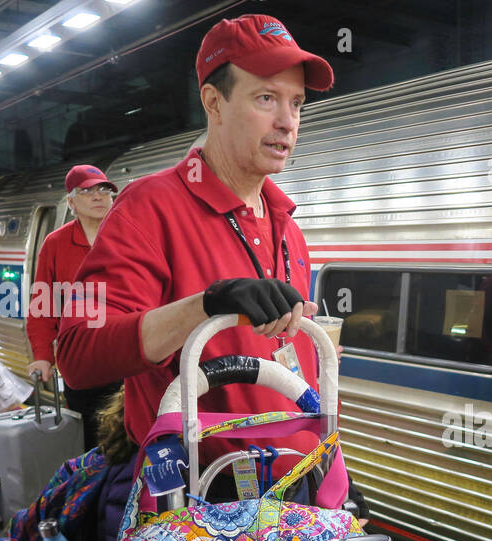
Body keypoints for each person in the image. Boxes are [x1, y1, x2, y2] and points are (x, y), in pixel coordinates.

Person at [56, 14, 334, 485]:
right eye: (266, 98)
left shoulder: (288, 227)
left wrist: (331, 465)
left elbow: (303, 366)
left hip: (294, 491)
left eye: (297, 103)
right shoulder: (149, 207)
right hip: (199, 500)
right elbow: (79, 354)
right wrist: (203, 306)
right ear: (213, 101)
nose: (287, 122)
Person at [27, 163, 122, 449]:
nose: (98, 196)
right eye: (87, 191)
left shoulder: (129, 235)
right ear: (70, 202)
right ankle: (97, 491)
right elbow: (43, 305)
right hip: (82, 361)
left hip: (129, 356)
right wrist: (43, 355)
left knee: (132, 436)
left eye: (104, 190)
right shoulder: (56, 244)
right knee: (92, 441)